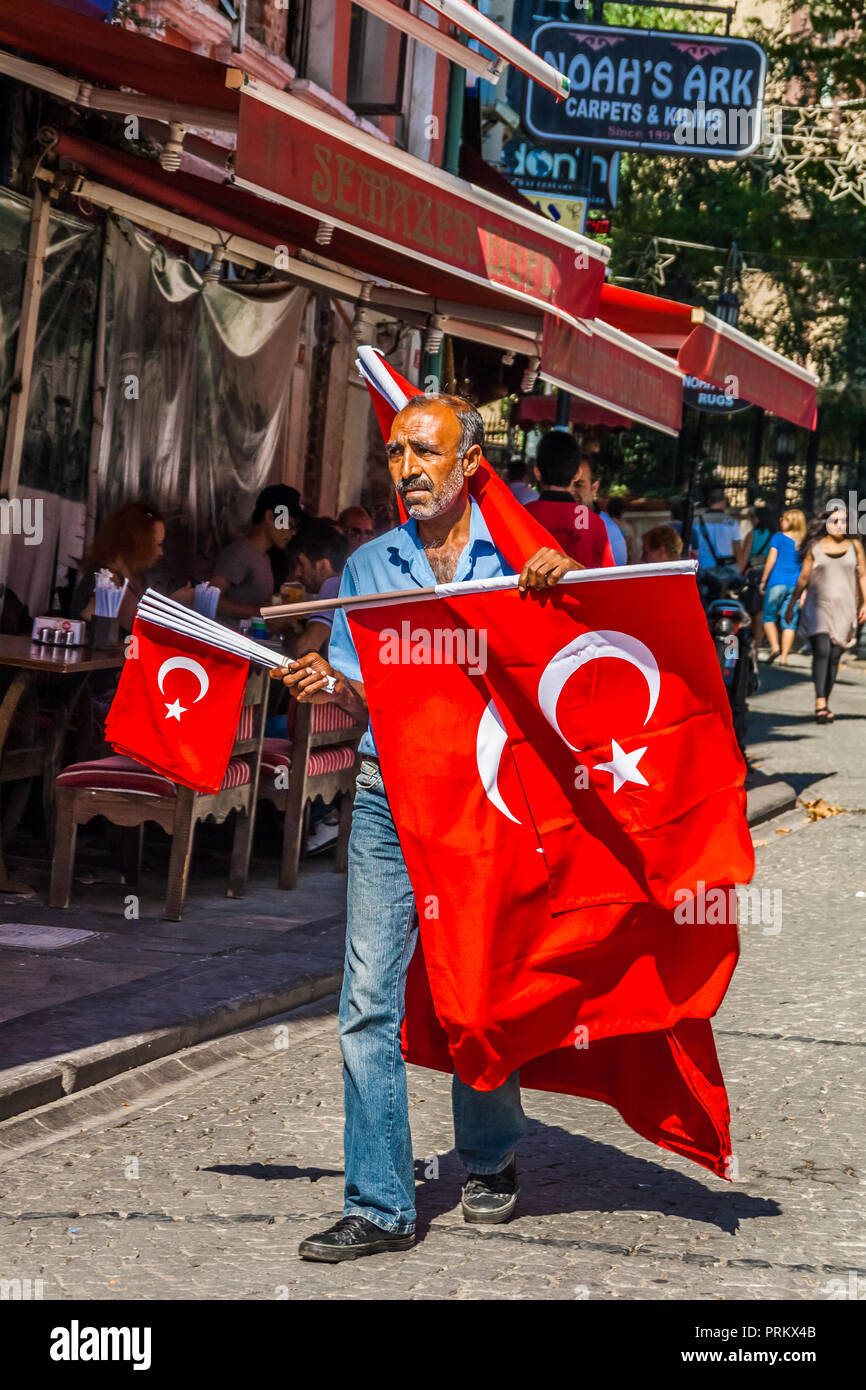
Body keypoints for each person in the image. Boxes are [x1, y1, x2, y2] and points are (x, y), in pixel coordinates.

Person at [271, 392, 584, 1262]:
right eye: (398, 454)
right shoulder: (370, 567)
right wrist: (326, 685)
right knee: (366, 999)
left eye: (425, 453)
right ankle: (378, 1201)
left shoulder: (523, 558)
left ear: (469, 463)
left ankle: (488, 1156)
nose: (407, 470)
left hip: (485, 799)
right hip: (387, 796)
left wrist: (558, 595)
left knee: (472, 991)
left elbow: (567, 674)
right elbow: (363, 685)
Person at [785, 504, 866, 722]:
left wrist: (865, 603)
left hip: (845, 608)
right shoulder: (815, 547)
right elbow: (803, 578)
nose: (839, 525)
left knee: (834, 656)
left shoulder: (855, 546)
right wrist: (792, 603)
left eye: (843, 521)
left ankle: (825, 700)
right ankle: (820, 702)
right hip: (817, 605)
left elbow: (862, 577)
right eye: (835, 521)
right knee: (822, 649)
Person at [200, 484, 305, 621]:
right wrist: (260, 612)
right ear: (269, 517)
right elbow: (209, 599)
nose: (292, 533)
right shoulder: (240, 553)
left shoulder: (264, 557)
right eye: (290, 525)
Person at [71, 500, 168, 633]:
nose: (160, 552)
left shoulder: (138, 580)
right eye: (157, 544)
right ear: (136, 542)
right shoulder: (102, 579)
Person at [524, 434, 614, 568]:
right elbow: (608, 579)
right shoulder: (594, 523)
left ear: (537, 472)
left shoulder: (522, 515)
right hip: (579, 590)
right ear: (577, 474)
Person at [759, 509, 806, 666]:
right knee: (790, 621)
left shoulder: (778, 538)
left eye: (784, 519)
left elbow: (771, 560)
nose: (781, 521)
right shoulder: (805, 542)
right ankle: (784, 658)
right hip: (796, 585)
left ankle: (774, 647)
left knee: (768, 617)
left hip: (776, 582)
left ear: (791, 521)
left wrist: (763, 580)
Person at [568, 454, 627, 564]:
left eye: (578, 485)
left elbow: (613, 579)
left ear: (594, 488)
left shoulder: (611, 533)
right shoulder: (554, 518)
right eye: (567, 483)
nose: (570, 491)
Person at [690, 486, 744, 576]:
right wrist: (740, 569)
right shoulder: (731, 522)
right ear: (723, 502)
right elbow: (737, 548)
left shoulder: (696, 522)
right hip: (727, 570)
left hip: (704, 570)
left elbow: (692, 550)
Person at [606, 495, 641, 564]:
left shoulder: (603, 526)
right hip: (624, 565)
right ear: (623, 511)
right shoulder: (627, 528)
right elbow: (634, 550)